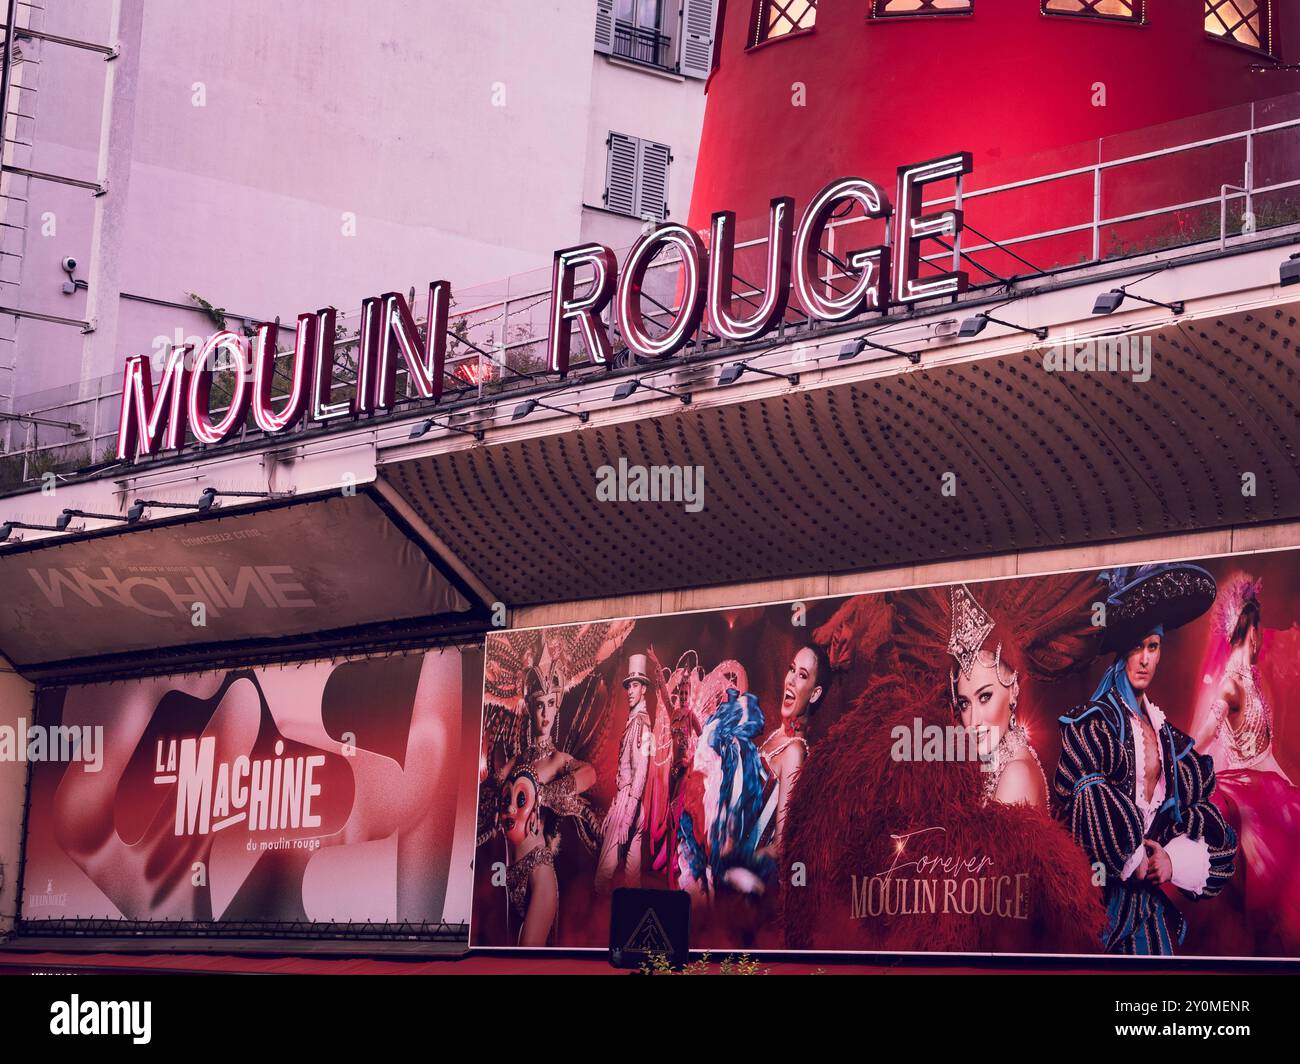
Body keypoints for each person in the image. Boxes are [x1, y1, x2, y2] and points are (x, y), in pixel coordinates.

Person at [1055, 564, 1238, 956]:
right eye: (1136, 647)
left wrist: (1169, 861)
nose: (1144, 659)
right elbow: (1083, 820)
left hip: (1150, 914)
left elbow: (1206, 824)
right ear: (1122, 653)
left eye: (1152, 647)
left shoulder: (1170, 739)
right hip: (1096, 910)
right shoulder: (1095, 725)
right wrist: (1133, 859)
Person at [1192, 576, 1300, 949]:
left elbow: (1264, 753)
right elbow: (1207, 731)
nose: (1260, 640)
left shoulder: (1250, 682)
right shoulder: (1231, 684)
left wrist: (1290, 785)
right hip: (1244, 791)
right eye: (1259, 631)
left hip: (1262, 784)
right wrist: (1179, 756)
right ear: (1251, 632)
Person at [758, 644, 830, 851]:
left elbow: (780, 847)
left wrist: (733, 860)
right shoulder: (774, 735)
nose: (790, 679)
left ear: (814, 694)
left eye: (802, 675)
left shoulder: (794, 752)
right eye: (792, 669)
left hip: (742, 868)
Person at [595, 653, 654, 893]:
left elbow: (640, 773)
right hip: (633, 806)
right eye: (628, 686)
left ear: (644, 689)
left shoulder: (639, 724)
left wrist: (625, 816)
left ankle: (601, 916)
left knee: (602, 878)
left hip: (629, 803)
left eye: (635, 685)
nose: (630, 691)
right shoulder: (640, 721)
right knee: (632, 879)